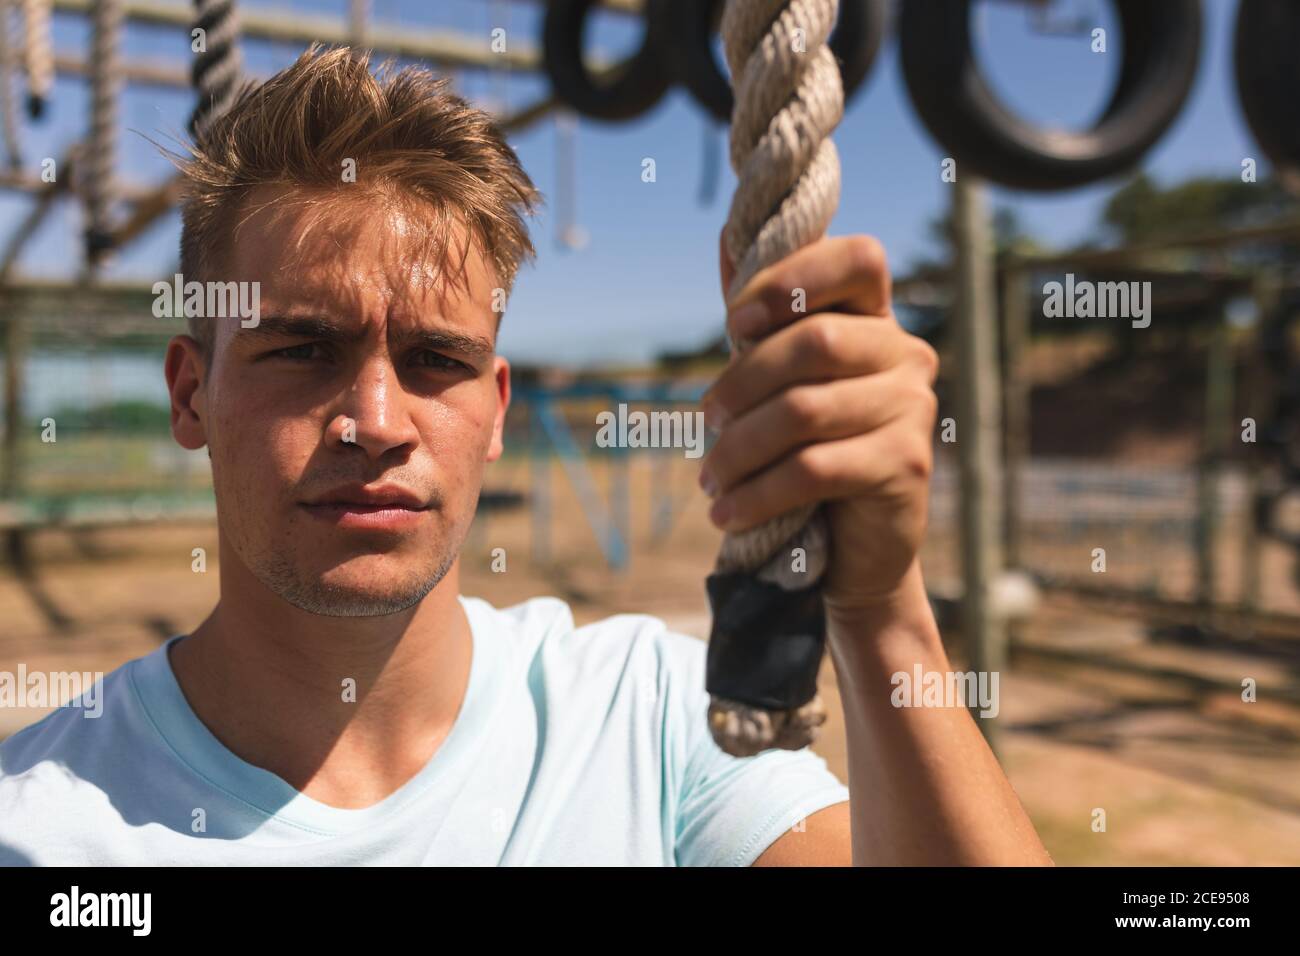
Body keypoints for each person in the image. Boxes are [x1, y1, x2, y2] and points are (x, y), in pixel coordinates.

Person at [0, 46, 1051, 866]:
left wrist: (880, 617)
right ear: (190, 391)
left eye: (435, 359)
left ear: (496, 407)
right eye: (303, 348)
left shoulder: (651, 717)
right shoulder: (41, 820)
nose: (375, 417)